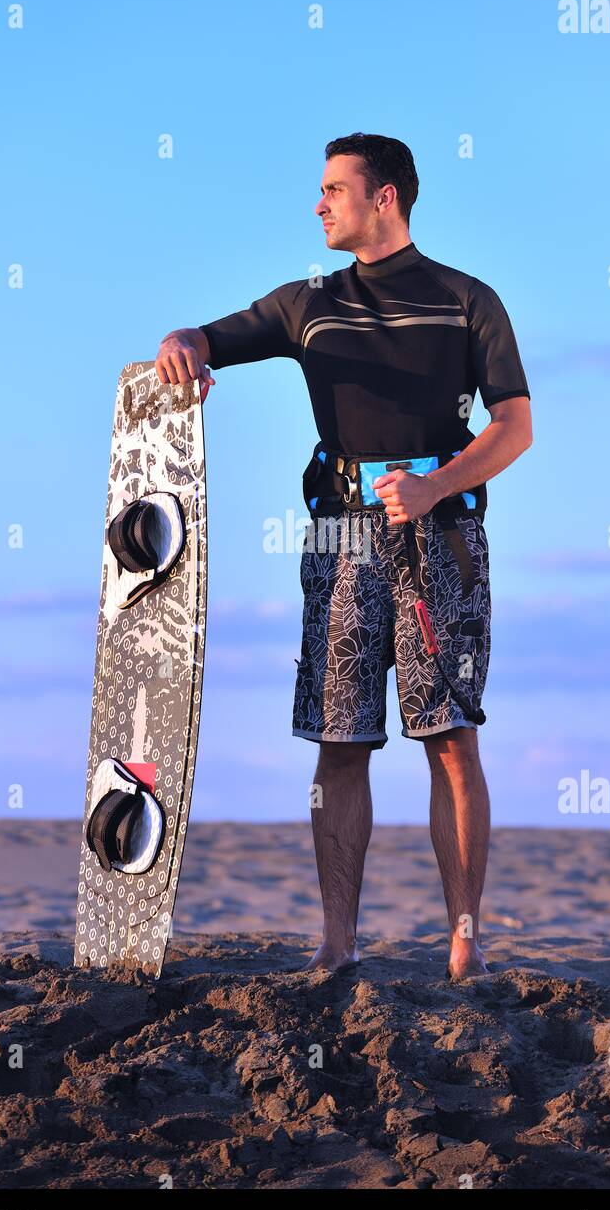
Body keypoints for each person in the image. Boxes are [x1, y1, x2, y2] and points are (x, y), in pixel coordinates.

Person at [156, 133, 532, 980]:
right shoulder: (306, 303)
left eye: (334, 189)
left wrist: (437, 489)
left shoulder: (468, 301)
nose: (319, 204)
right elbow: (210, 335)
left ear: (385, 198)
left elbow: (515, 426)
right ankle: (337, 943)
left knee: (451, 738)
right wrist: (182, 344)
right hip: (339, 536)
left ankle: (465, 941)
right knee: (341, 741)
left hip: (443, 535)